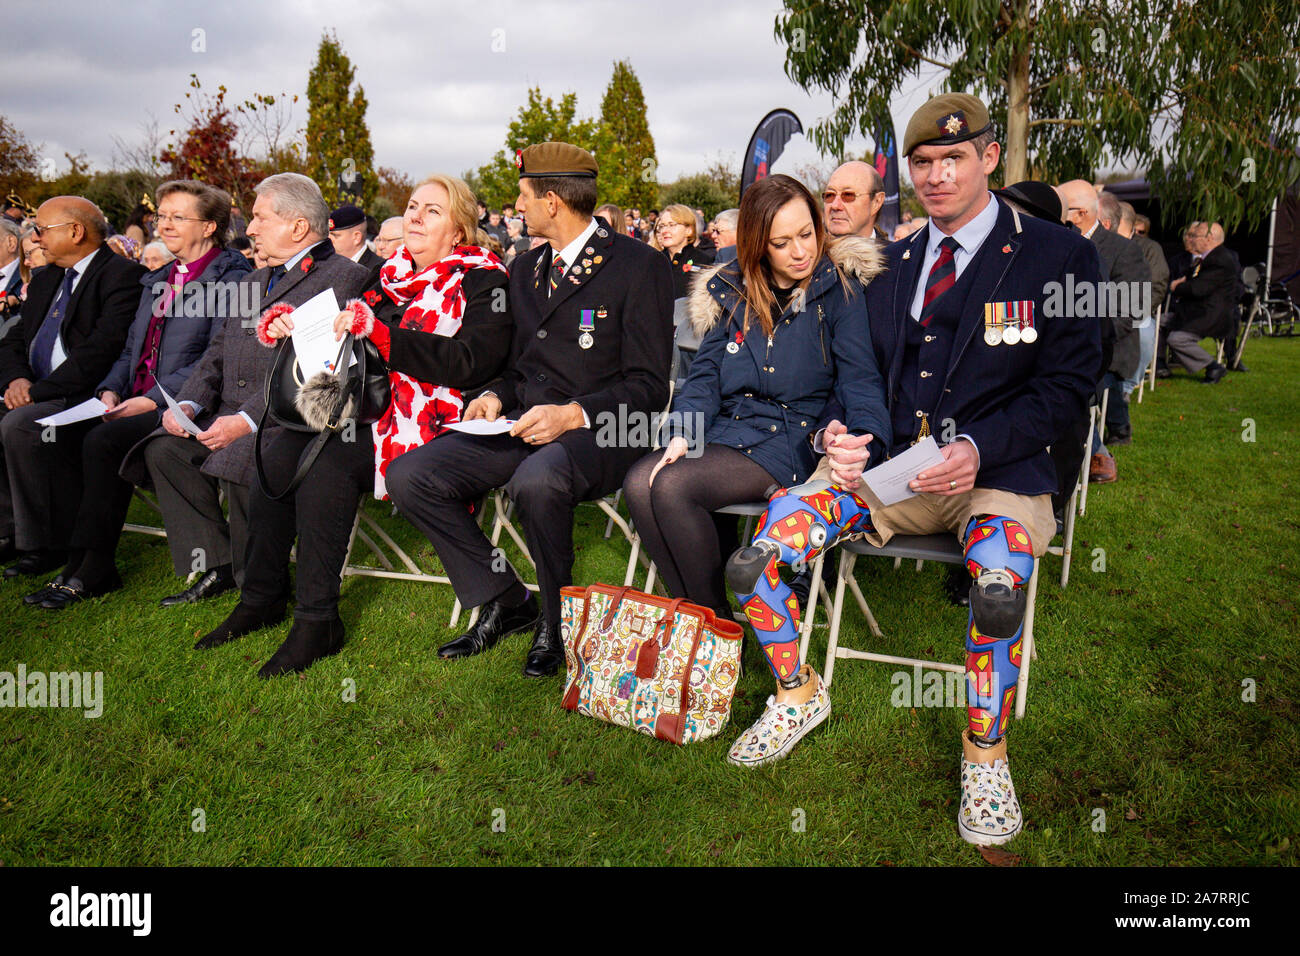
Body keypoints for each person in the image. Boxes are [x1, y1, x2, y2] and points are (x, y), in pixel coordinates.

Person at [725, 94, 1101, 848]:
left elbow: (1070, 386)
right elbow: (851, 377)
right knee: (758, 558)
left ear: (990, 157)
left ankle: (985, 753)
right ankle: (798, 693)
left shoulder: (1059, 254)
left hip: (998, 473)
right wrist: (842, 432)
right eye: (923, 162)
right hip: (890, 470)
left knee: (996, 589)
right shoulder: (883, 262)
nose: (935, 176)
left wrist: (977, 449)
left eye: (952, 159)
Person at [384, 142, 674, 678]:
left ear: (553, 201)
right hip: (522, 423)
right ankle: (504, 596)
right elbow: (518, 366)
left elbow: (651, 387)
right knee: (411, 472)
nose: (517, 207)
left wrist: (572, 414)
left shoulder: (639, 267)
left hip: (602, 430)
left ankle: (555, 617)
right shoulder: (524, 269)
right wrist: (493, 394)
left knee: (537, 480)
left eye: (523, 196)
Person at [208, 174, 514, 677]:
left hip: (439, 420)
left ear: (459, 230)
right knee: (280, 447)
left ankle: (317, 619)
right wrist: (289, 324)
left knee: (325, 461)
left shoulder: (485, 279)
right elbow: (346, 348)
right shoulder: (387, 277)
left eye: (432, 211)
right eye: (412, 206)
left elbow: (473, 363)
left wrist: (382, 335)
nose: (414, 215)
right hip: (373, 411)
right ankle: (261, 596)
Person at [623, 172, 888, 644]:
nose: (801, 251)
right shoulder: (732, 290)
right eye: (782, 242)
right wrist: (683, 431)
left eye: (806, 234)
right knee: (640, 482)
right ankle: (702, 624)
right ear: (757, 245)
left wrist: (866, 441)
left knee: (670, 488)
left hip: (791, 437)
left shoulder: (839, 291)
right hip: (729, 428)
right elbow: (702, 376)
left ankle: (715, 631)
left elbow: (861, 380)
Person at [127, 173, 369, 611]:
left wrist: (246, 421)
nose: (249, 229)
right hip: (225, 411)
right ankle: (219, 564)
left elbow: (312, 371)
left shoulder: (345, 277)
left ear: (297, 227)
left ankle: (260, 587)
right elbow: (217, 352)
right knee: (164, 450)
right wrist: (189, 401)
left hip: (283, 418)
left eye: (259, 217)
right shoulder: (253, 281)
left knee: (243, 459)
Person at [22, 181, 251, 609]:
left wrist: (152, 401)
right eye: (161, 216)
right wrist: (110, 390)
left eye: (177, 217)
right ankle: (65, 554)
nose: (164, 224)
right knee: (58, 436)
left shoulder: (233, 279)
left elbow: (214, 358)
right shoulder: (157, 279)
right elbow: (131, 350)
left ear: (210, 226)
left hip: (193, 404)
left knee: (103, 442)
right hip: (135, 398)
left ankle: (92, 568)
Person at [0, 197, 145, 576]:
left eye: (42, 229)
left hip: (86, 394)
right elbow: (14, 340)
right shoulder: (48, 278)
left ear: (76, 231)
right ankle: (10, 532)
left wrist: (36, 392)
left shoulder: (121, 276)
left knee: (21, 426)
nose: (34, 237)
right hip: (36, 389)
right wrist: (17, 380)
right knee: (12, 418)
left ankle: (48, 544)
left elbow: (103, 349)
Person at [1166, 222, 1237, 383]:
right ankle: (1161, 363)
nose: (1191, 240)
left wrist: (1177, 286)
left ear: (1209, 239)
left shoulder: (1220, 259)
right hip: (1195, 311)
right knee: (1159, 323)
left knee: (1177, 339)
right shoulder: (1208, 259)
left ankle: (1213, 367)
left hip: (1210, 315)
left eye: (1195, 236)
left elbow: (1198, 288)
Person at [1116, 200, 1169, 399]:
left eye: (1141, 232)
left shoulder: (1150, 249)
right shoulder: (1102, 242)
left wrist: (1137, 311)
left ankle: (1127, 387)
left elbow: (1157, 284)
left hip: (1138, 308)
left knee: (1144, 334)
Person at [651, 203, 713, 297]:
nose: (664, 231)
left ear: (689, 230)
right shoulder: (653, 260)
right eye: (662, 226)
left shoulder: (703, 261)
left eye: (671, 225)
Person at [823, 160, 888, 244]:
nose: (835, 205)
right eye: (830, 195)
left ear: (876, 202)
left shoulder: (896, 255)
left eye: (848, 195)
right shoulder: (808, 255)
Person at [328, 203, 384, 282]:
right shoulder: (330, 266)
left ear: (357, 237)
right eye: (328, 235)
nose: (329, 239)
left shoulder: (378, 271)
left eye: (335, 235)